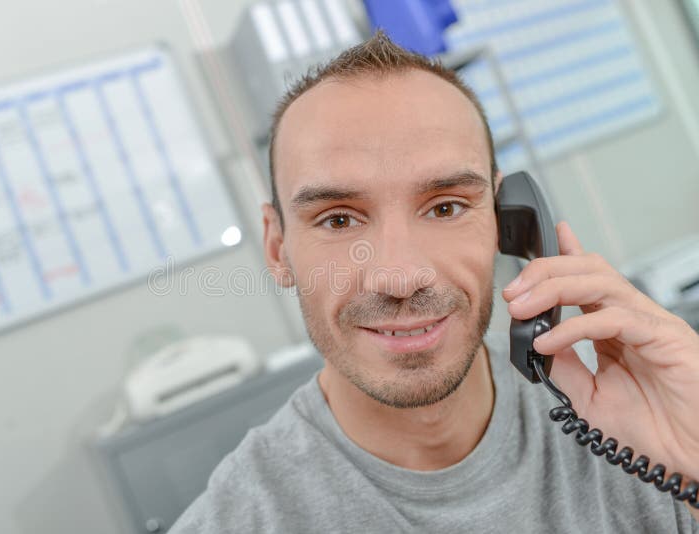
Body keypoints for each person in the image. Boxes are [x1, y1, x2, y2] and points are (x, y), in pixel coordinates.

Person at [169, 32, 699, 532]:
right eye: (338, 219)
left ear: (507, 221)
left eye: (445, 208)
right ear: (277, 247)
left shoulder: (636, 428)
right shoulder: (232, 519)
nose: (400, 277)